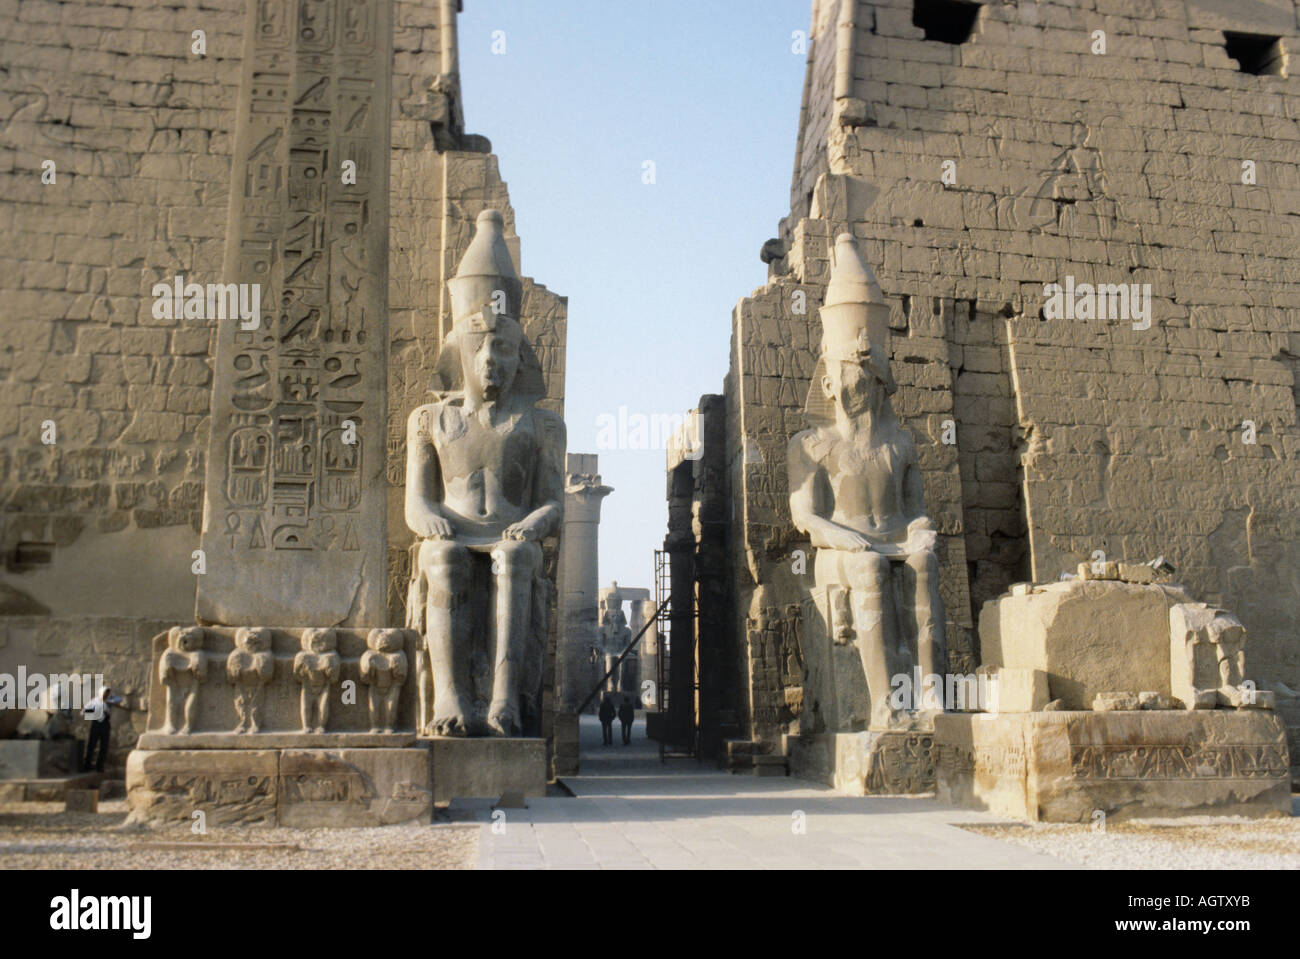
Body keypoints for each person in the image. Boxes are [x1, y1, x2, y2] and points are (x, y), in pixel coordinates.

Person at [82, 686, 125, 773]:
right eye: (105, 692)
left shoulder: (110, 700)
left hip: (105, 723)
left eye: (108, 693)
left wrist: (108, 699)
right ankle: (87, 765)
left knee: (104, 746)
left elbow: (119, 699)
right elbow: (84, 712)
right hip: (96, 723)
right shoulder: (95, 701)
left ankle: (100, 766)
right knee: (92, 744)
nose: (107, 694)